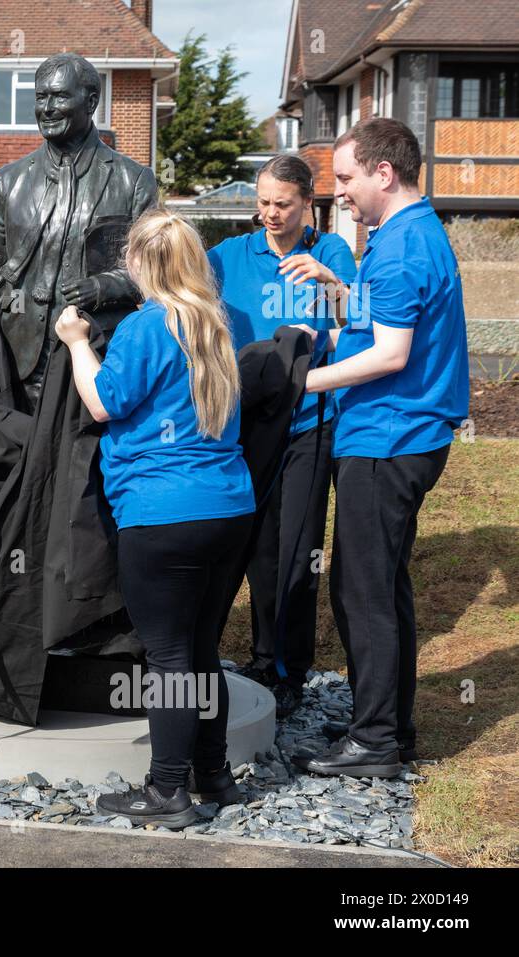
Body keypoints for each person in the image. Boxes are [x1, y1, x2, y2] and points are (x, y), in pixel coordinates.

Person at [54, 209, 256, 828]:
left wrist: (76, 342)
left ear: (139, 264)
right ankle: (213, 772)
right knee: (201, 651)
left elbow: (104, 401)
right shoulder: (217, 326)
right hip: (229, 508)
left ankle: (168, 791)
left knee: (167, 658)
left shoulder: (147, 326)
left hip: (161, 512)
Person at [292, 118, 468, 778]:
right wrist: (340, 295)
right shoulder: (411, 231)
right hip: (405, 434)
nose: (338, 192)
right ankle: (390, 726)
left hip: (390, 437)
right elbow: (385, 323)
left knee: (362, 590)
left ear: (383, 173)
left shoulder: (397, 249)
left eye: (345, 178)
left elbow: (390, 354)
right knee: (383, 586)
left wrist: (298, 382)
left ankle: (374, 744)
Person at [205, 154, 357, 718]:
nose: (270, 213)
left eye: (283, 204)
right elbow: (182, 286)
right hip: (242, 422)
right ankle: (255, 655)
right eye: (264, 202)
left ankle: (287, 670)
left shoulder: (329, 252)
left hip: (305, 425)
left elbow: (363, 319)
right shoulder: (229, 255)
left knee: (296, 550)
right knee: (251, 544)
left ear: (307, 204)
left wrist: (333, 286)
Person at [0, 52, 157, 407]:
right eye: (41, 97)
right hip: (22, 360)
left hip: (98, 353)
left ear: (91, 101)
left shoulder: (133, 180)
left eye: (59, 96)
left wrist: (102, 287)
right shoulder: (9, 180)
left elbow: (152, 271)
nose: (47, 108)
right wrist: (19, 308)